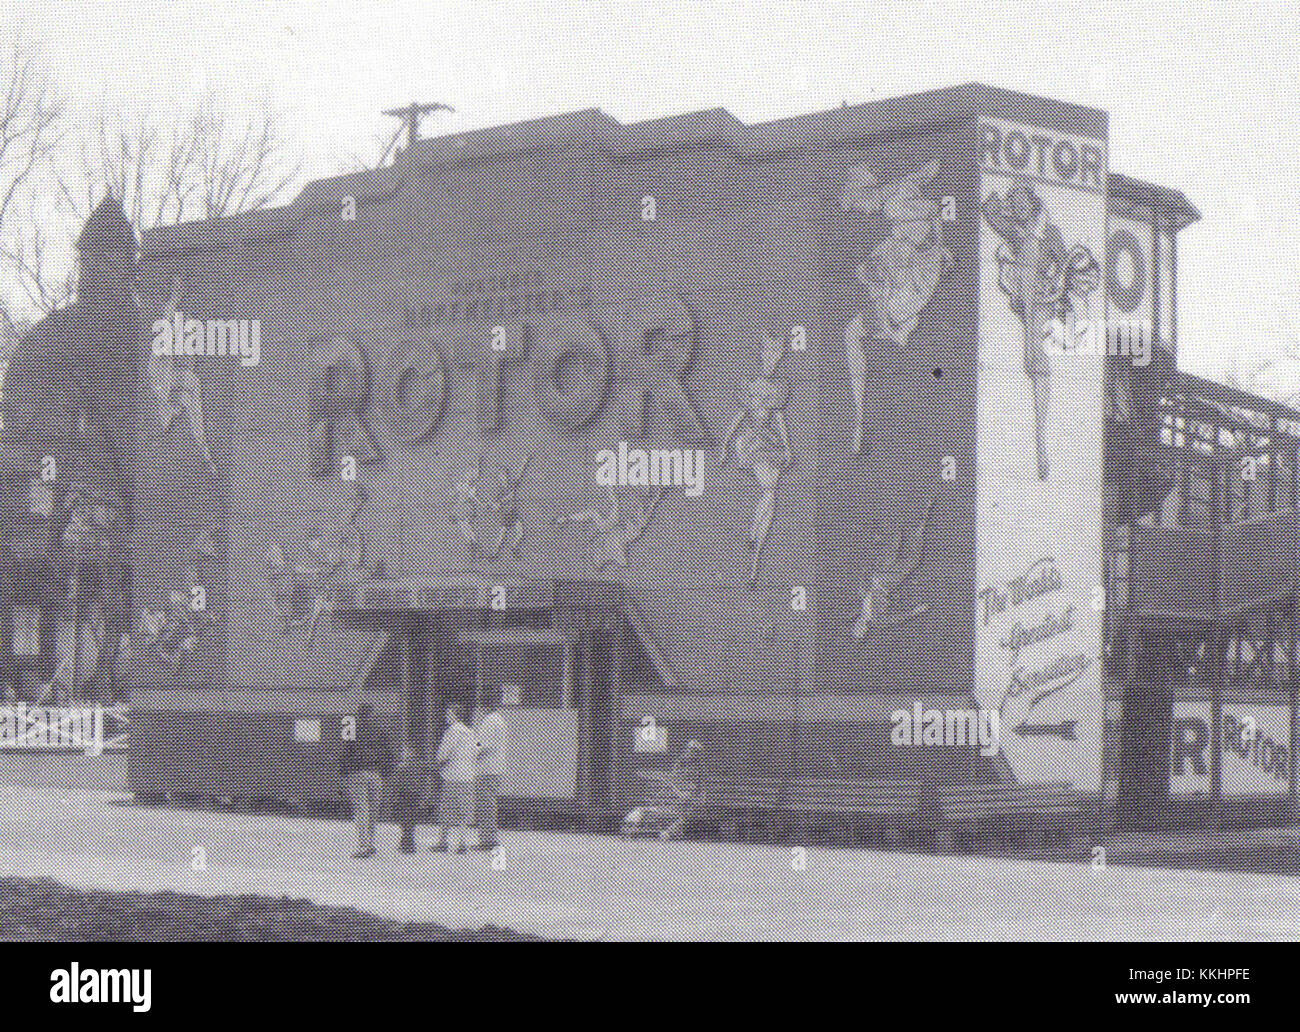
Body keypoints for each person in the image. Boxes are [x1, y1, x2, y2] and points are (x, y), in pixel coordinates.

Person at [3, 197, 141, 704]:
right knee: (60, 593)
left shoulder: (131, 338)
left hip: (97, 503)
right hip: (71, 502)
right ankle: (50, 684)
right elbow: (24, 443)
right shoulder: (60, 342)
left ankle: (75, 686)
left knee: (83, 593)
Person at [341, 703, 394, 858]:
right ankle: (371, 844)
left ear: (359, 715)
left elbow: (345, 751)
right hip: (375, 775)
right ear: (373, 715)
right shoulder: (381, 729)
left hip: (357, 775)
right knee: (372, 811)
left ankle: (363, 846)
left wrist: (343, 773)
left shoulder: (350, 727)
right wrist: (384, 774)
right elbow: (388, 754)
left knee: (361, 810)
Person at [432, 704, 478, 853]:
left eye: (448, 713)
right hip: (468, 776)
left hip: (452, 776)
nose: (446, 716)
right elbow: (478, 748)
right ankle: (462, 842)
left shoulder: (451, 731)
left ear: (454, 715)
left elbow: (444, 753)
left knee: (447, 810)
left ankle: (442, 841)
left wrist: (437, 765)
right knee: (464, 811)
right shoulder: (471, 732)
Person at [472, 693, 508, 850]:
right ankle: (489, 838)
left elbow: (481, 746)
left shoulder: (489, 721)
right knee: (489, 803)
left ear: (483, 707)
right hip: (495, 769)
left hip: (486, 769)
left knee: (484, 804)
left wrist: (469, 753)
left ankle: (487, 840)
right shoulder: (499, 720)